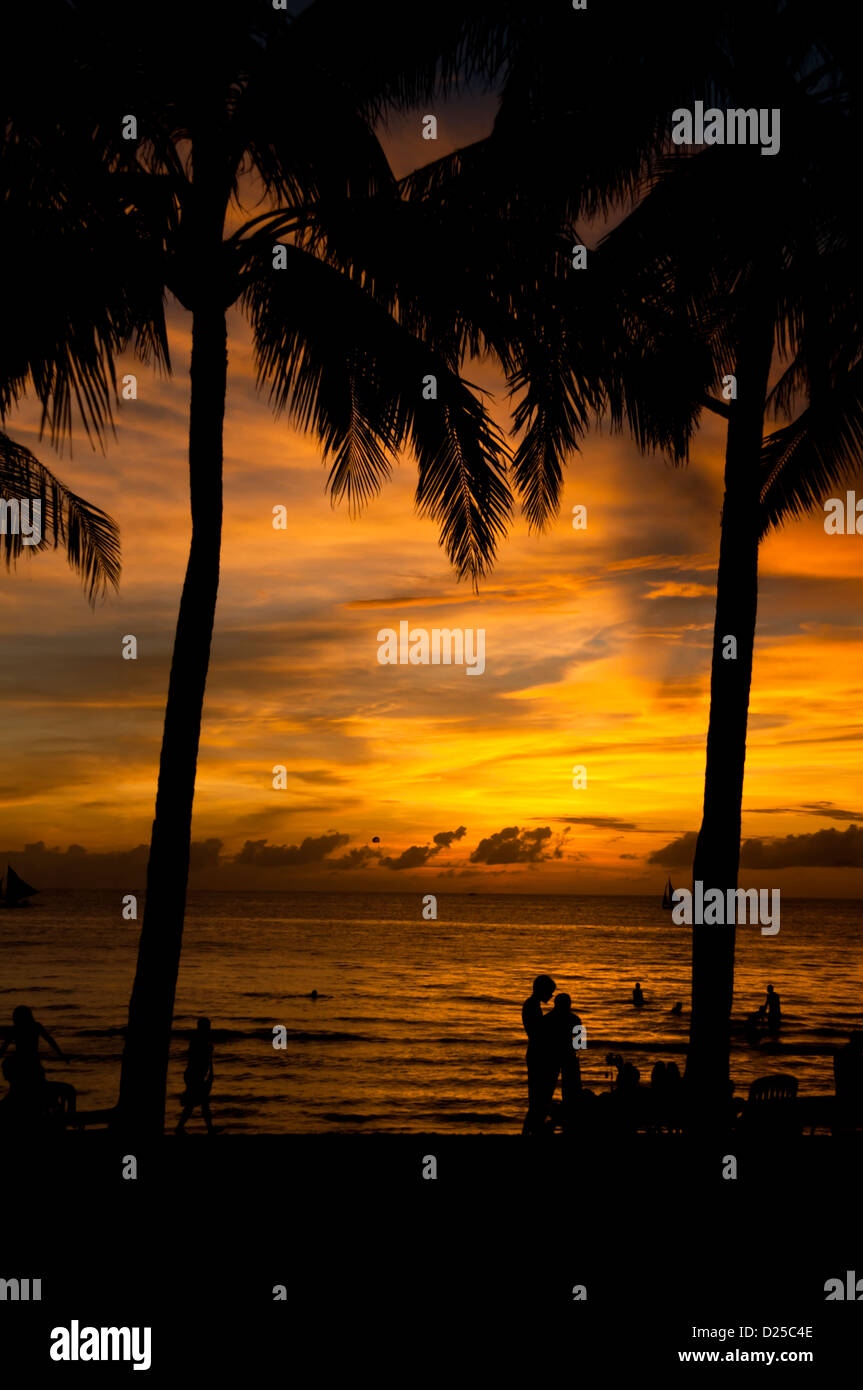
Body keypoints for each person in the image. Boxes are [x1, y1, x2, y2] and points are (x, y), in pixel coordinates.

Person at [0, 1004, 76, 1121]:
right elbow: (50, 1040)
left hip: (24, 1067)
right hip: (32, 1067)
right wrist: (62, 1055)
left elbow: (3, 1049)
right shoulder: (35, 1026)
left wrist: (62, 1055)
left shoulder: (16, 1030)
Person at [521, 974, 556, 1135]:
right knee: (538, 1097)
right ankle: (530, 1130)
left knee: (538, 1096)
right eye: (550, 991)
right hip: (538, 1055)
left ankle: (533, 1129)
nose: (551, 995)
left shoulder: (533, 1005)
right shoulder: (532, 1006)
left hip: (537, 1053)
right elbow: (537, 1032)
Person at [176, 1017, 218, 1135]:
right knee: (200, 1102)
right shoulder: (198, 1042)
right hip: (194, 1076)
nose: (209, 1029)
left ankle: (181, 1127)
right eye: (207, 1027)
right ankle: (209, 1128)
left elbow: (206, 1061)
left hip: (195, 1076)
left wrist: (210, 1073)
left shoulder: (201, 1041)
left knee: (196, 1103)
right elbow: (198, 1061)